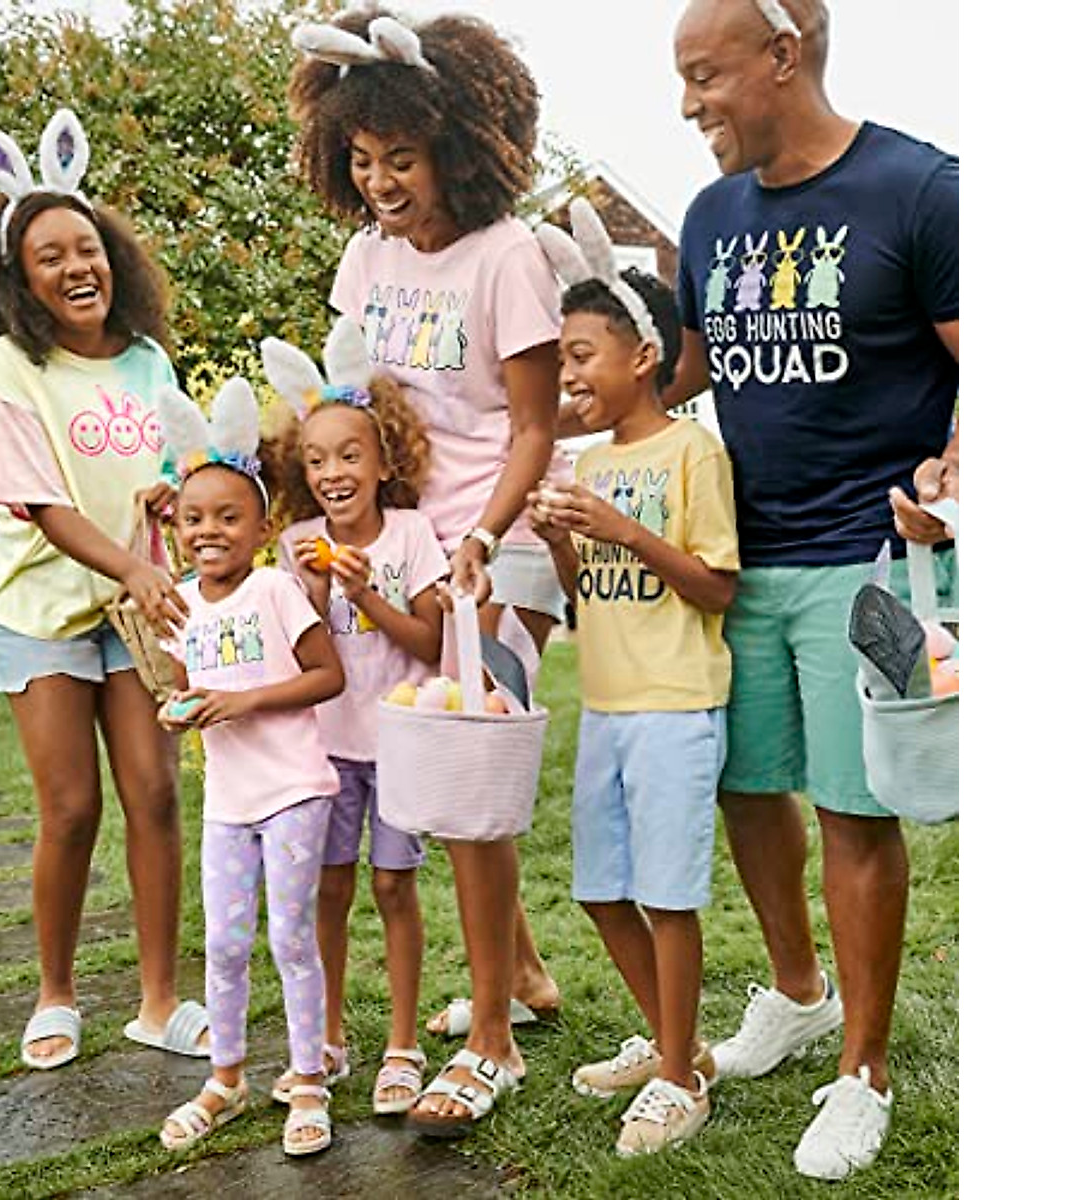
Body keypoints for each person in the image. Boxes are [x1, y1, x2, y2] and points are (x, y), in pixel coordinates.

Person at [620, 0, 956, 1180]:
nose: (687, 104)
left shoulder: (920, 190)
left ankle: (862, 1071)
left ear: (783, 54)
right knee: (748, 788)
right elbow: (684, 373)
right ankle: (801, 994)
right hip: (741, 561)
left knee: (854, 809)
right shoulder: (712, 215)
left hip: (869, 560)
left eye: (703, 74)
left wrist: (954, 468)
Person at [287, 6, 568, 1134]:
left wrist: (482, 543)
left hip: (503, 540)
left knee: (466, 769)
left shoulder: (509, 257)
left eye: (401, 157)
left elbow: (536, 430)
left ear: (456, 144)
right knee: (437, 775)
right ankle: (525, 974)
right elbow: (354, 404)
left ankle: (493, 1041)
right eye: (362, 159)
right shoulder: (366, 256)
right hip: (406, 544)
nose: (381, 182)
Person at [0, 108, 210, 1071]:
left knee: (154, 792)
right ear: (20, 277)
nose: (76, 267)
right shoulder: (6, 368)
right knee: (72, 807)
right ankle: (56, 993)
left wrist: (176, 489)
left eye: (87, 249)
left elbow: (178, 458)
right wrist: (132, 564)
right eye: (50, 257)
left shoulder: (147, 361)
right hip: (41, 607)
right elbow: (44, 505)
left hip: (137, 611)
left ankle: (160, 1001)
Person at [528, 200, 739, 1156]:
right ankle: (675, 1047)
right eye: (562, 360)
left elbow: (715, 586)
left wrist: (618, 527)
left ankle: (677, 1077)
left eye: (581, 355)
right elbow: (589, 598)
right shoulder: (588, 464)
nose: (567, 375)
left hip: (675, 706)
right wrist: (561, 543)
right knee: (601, 890)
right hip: (609, 705)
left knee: (666, 895)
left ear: (644, 355)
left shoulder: (692, 450)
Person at [259, 320, 449, 1116]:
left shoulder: (411, 535)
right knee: (329, 890)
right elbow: (294, 654)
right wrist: (310, 592)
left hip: (399, 743)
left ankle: (403, 1045)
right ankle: (326, 1039)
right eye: (316, 460)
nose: (333, 472)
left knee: (393, 886)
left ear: (383, 462)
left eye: (349, 455)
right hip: (325, 751)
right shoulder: (298, 544)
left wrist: (365, 591)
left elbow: (433, 642)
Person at [154, 378, 345, 1156]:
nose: (210, 531)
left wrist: (248, 701)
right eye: (194, 518)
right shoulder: (180, 605)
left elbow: (327, 675)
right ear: (177, 529)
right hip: (228, 804)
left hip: (294, 790)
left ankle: (309, 1081)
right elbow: (179, 689)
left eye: (229, 517)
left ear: (262, 529)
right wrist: (179, 709)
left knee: (290, 940)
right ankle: (226, 1080)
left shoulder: (274, 588)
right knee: (225, 945)